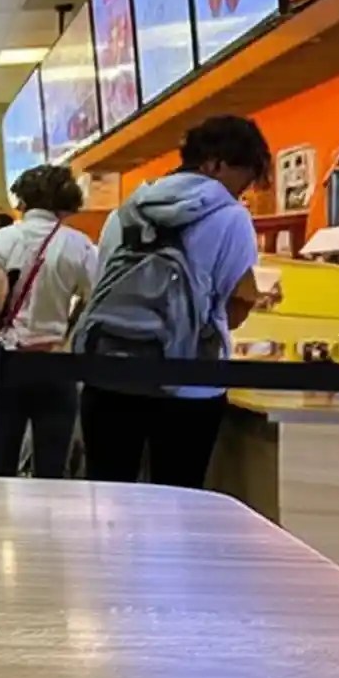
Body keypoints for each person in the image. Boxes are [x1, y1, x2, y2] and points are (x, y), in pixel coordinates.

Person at [75, 115, 274, 488]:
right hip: (188, 382)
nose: (243, 190)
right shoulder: (231, 217)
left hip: (109, 375)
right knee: (179, 500)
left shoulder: (126, 211)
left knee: (105, 495)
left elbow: (101, 278)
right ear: (215, 163)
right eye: (244, 176)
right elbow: (238, 303)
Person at [0, 165, 97, 478]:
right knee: (52, 465)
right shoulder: (79, 244)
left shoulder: (3, 239)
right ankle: (46, 524)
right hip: (55, 362)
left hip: (7, 360)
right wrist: (69, 328)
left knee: (0, 461)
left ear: (24, 199)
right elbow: (93, 297)